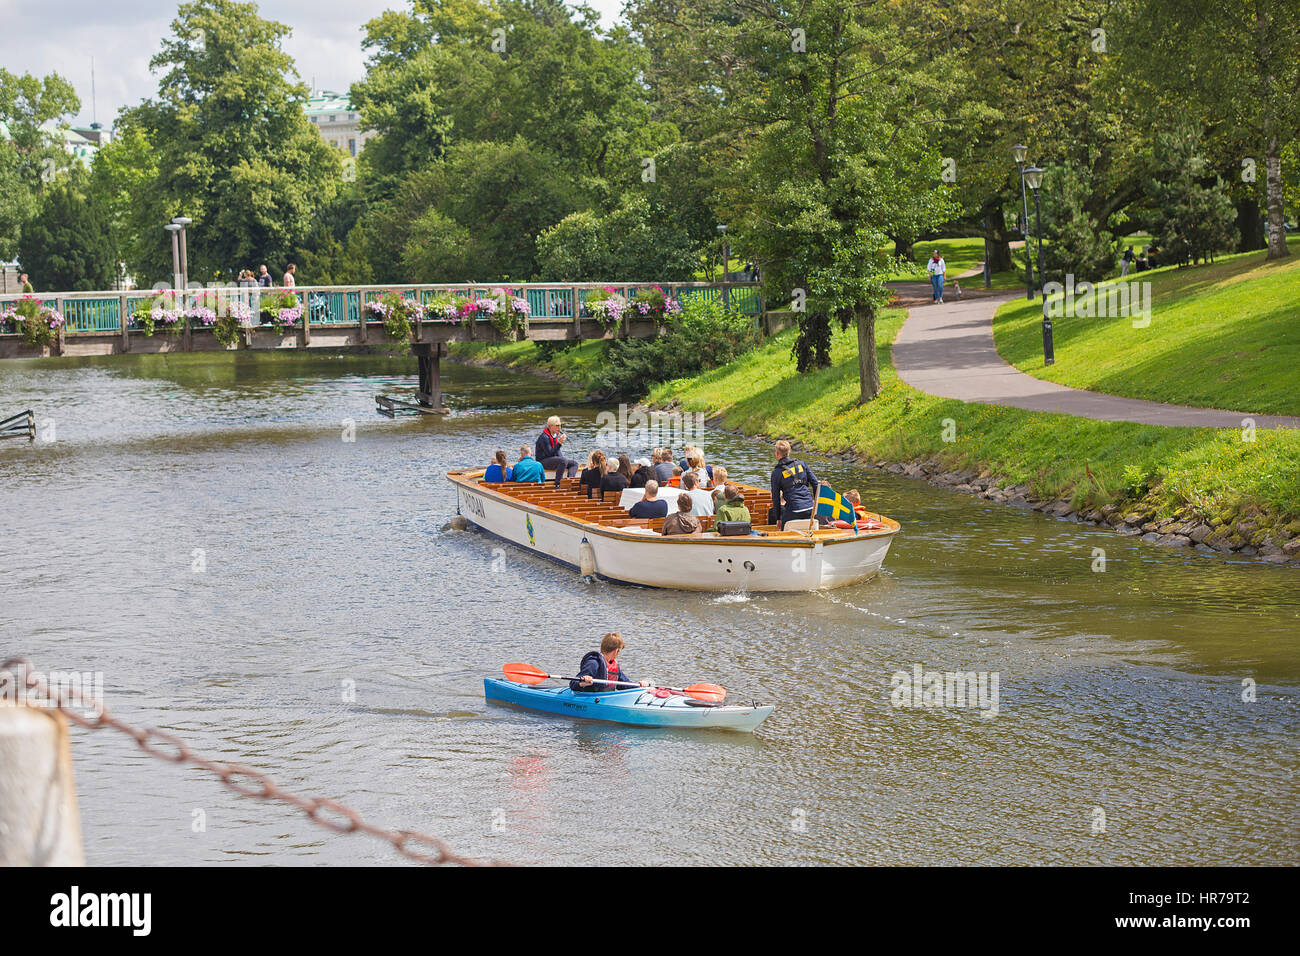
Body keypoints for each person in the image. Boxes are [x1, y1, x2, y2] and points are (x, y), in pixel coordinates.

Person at [570, 633, 649, 693]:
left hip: (606, 698)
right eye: (619, 651)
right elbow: (573, 683)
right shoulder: (594, 663)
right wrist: (582, 682)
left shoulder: (613, 666)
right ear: (616, 651)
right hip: (591, 698)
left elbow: (624, 684)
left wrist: (638, 685)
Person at [770, 439, 820, 526]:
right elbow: (816, 484)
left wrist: (778, 518)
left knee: (783, 529)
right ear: (789, 452)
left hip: (793, 510)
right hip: (810, 507)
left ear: (777, 454)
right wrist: (816, 505)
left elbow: (776, 498)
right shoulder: (802, 464)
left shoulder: (776, 473)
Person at [535, 415, 578, 489]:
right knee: (563, 460)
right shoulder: (544, 437)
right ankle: (558, 484)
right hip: (542, 461)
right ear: (551, 426)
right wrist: (559, 443)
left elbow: (557, 453)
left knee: (574, 463)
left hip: (551, 459)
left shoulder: (554, 436)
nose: (559, 428)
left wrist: (564, 461)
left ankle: (569, 481)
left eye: (560, 426)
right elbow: (550, 453)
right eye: (557, 426)